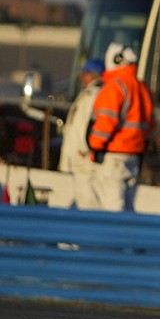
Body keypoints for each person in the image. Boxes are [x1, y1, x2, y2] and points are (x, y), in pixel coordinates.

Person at [86, 44, 156, 212]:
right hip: (134, 157)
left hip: (115, 157)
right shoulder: (141, 87)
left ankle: (113, 237)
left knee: (113, 206)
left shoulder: (114, 87)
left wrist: (94, 146)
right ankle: (128, 237)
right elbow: (150, 124)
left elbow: (105, 124)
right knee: (128, 205)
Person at [58, 58, 105, 209]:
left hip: (84, 159)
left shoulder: (94, 95)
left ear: (94, 75)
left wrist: (86, 149)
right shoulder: (88, 94)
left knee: (87, 201)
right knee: (81, 197)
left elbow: (92, 125)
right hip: (79, 158)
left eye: (85, 73)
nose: (82, 77)